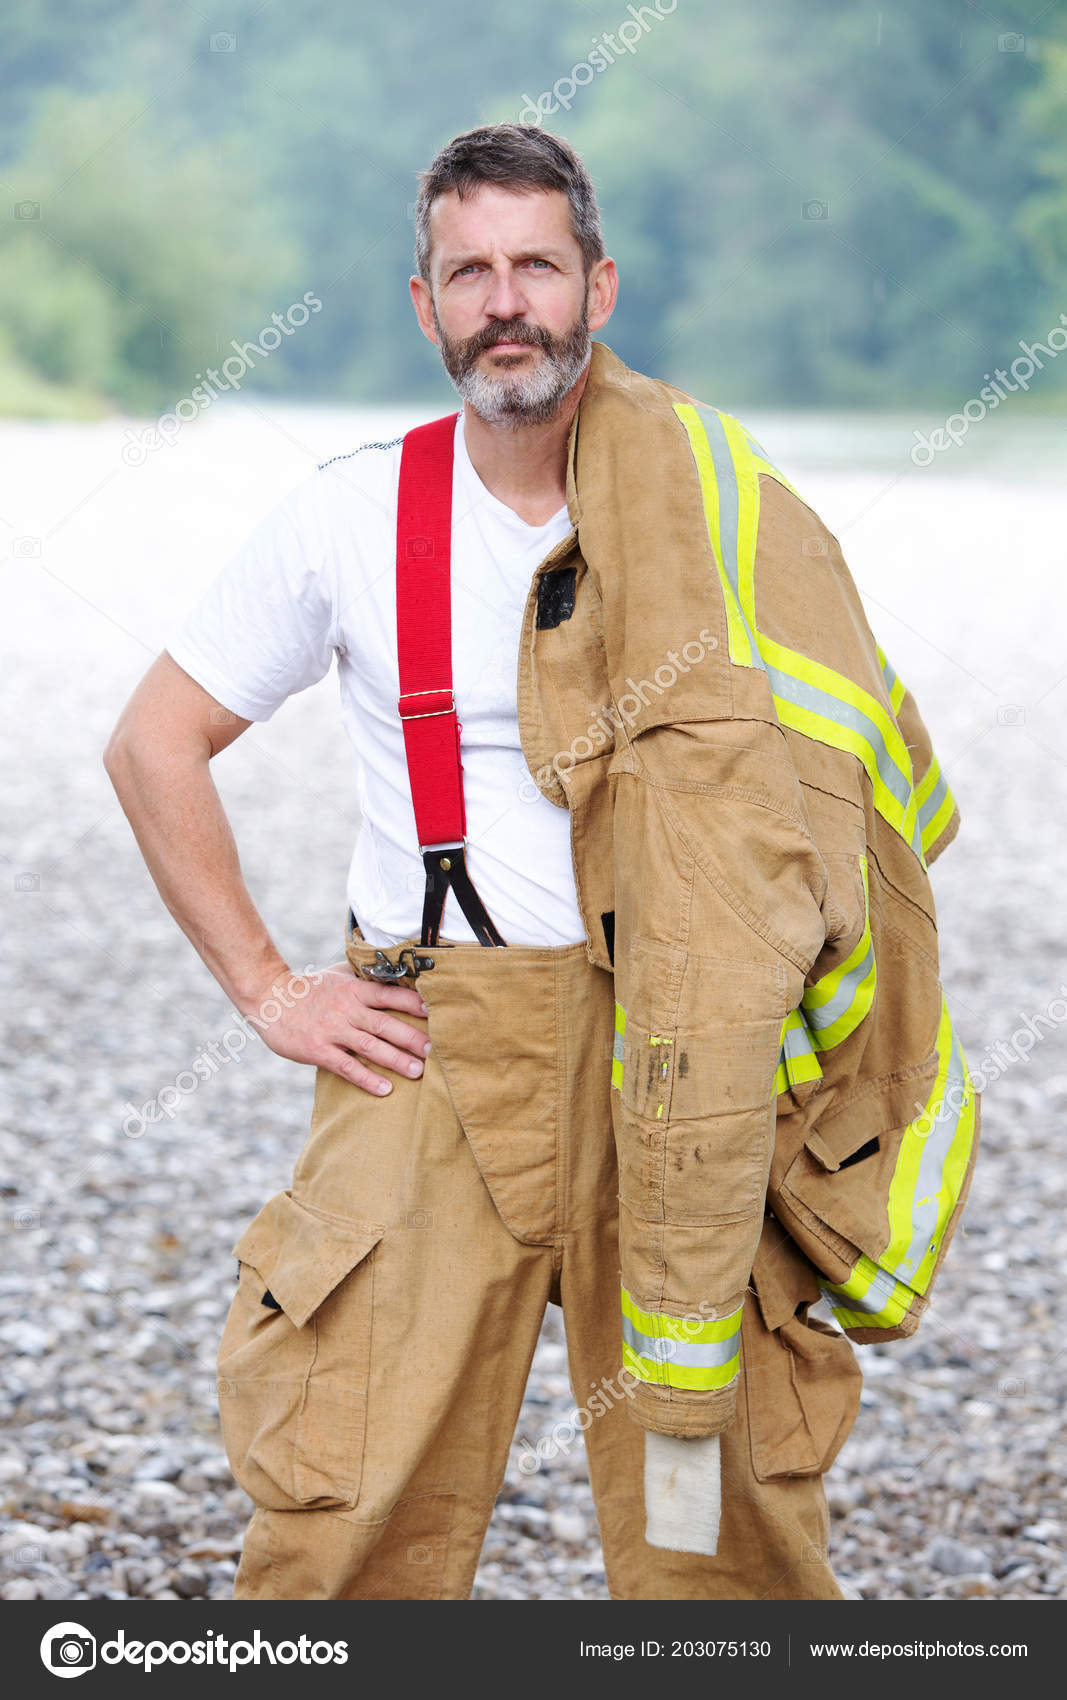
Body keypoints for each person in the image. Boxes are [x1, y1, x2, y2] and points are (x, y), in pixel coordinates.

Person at [104, 124, 977, 1601]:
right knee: (349, 1495)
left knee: (719, 1508)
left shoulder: (724, 507)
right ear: (424, 304)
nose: (506, 303)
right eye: (470, 273)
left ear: (599, 287)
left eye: (537, 267)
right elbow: (152, 745)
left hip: (690, 1046)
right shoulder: (350, 512)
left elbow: (841, 780)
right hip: (432, 1046)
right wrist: (269, 991)